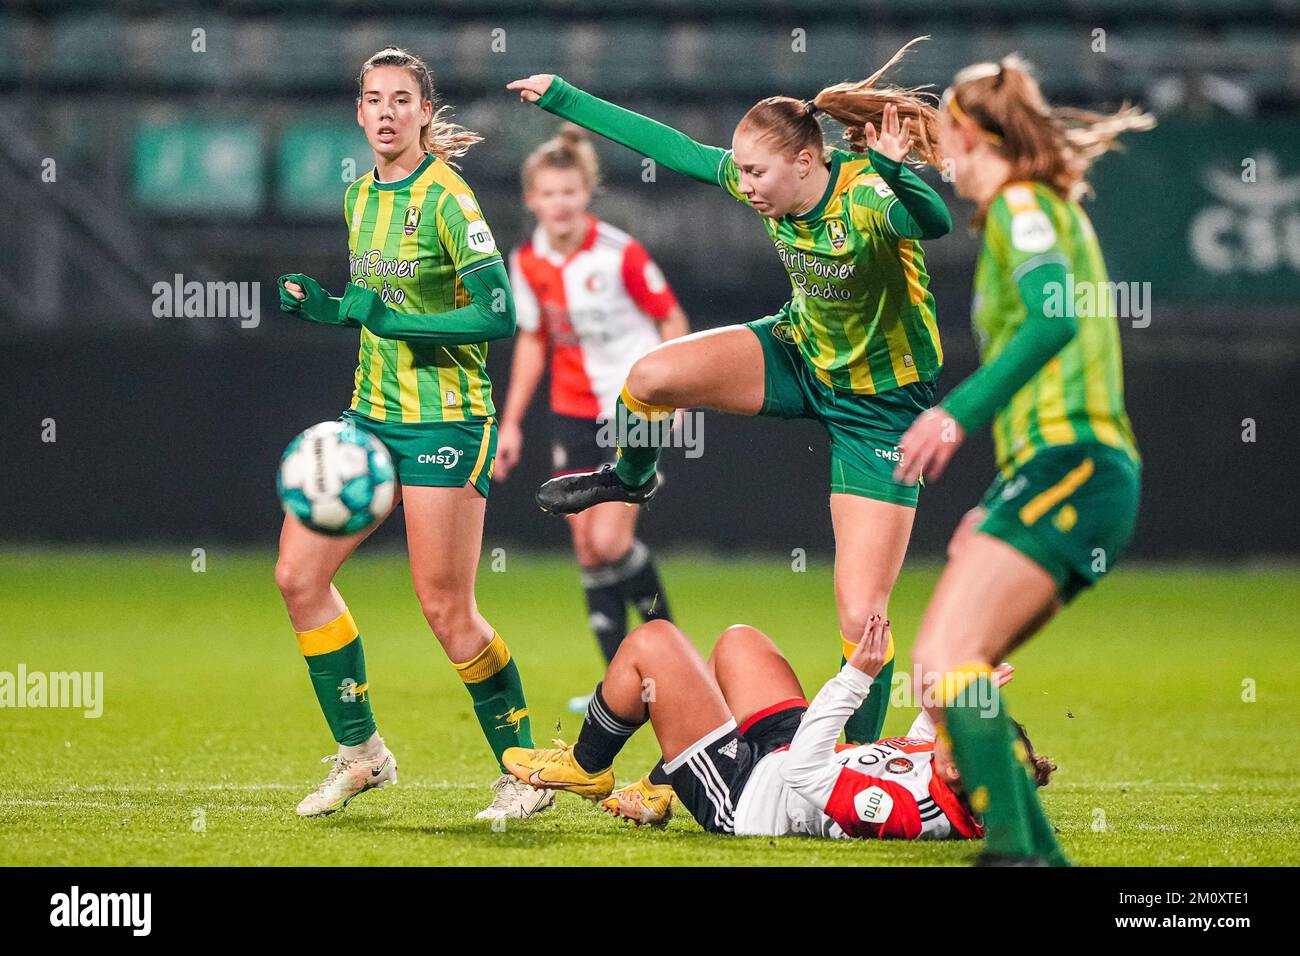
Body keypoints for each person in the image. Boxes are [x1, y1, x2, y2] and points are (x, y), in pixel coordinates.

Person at [507, 38, 953, 753]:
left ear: (806, 163)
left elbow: (935, 223)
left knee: (861, 611)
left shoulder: (869, 196)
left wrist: (901, 175)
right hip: (799, 350)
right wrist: (564, 96)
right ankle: (629, 478)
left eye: (756, 171)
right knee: (649, 377)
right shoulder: (768, 181)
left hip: (883, 407)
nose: (743, 184)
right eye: (739, 169)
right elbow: (670, 145)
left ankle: (853, 762)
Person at [274, 47, 552, 821]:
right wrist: (330, 310)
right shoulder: (359, 196)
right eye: (373, 99)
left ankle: (526, 772)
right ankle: (363, 756)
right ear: (359, 113)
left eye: (402, 99)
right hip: (370, 415)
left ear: (426, 112)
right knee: (299, 577)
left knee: (446, 610)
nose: (387, 112)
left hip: (447, 421)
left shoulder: (449, 200)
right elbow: (371, 306)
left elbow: (501, 313)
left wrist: (394, 319)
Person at [895, 56, 1152, 865]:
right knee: (946, 669)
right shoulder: (1039, 207)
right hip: (1063, 474)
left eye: (946, 143)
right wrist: (1003, 494)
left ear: (971, 134)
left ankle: (1015, 853)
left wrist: (954, 414)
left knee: (944, 663)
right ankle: (1030, 857)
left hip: (1075, 463)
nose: (943, 161)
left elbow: (1052, 320)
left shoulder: (1019, 206)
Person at [501, 617, 1048, 841]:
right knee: (740, 641)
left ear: (963, 771)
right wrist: (959, 693)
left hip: (748, 794)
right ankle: (662, 785)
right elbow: (923, 737)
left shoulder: (910, 814)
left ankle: (588, 764)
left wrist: (856, 678)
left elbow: (804, 771)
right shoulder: (950, 779)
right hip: (793, 748)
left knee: (654, 643)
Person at [495, 123, 690, 666]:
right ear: (532, 199)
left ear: (586, 193)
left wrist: (674, 393)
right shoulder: (527, 259)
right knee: (586, 546)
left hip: (632, 409)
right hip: (572, 411)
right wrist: (510, 423)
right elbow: (534, 340)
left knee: (608, 543)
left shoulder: (618, 252)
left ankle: (670, 654)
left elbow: (671, 317)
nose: (559, 203)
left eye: (569, 192)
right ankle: (618, 679)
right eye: (549, 193)